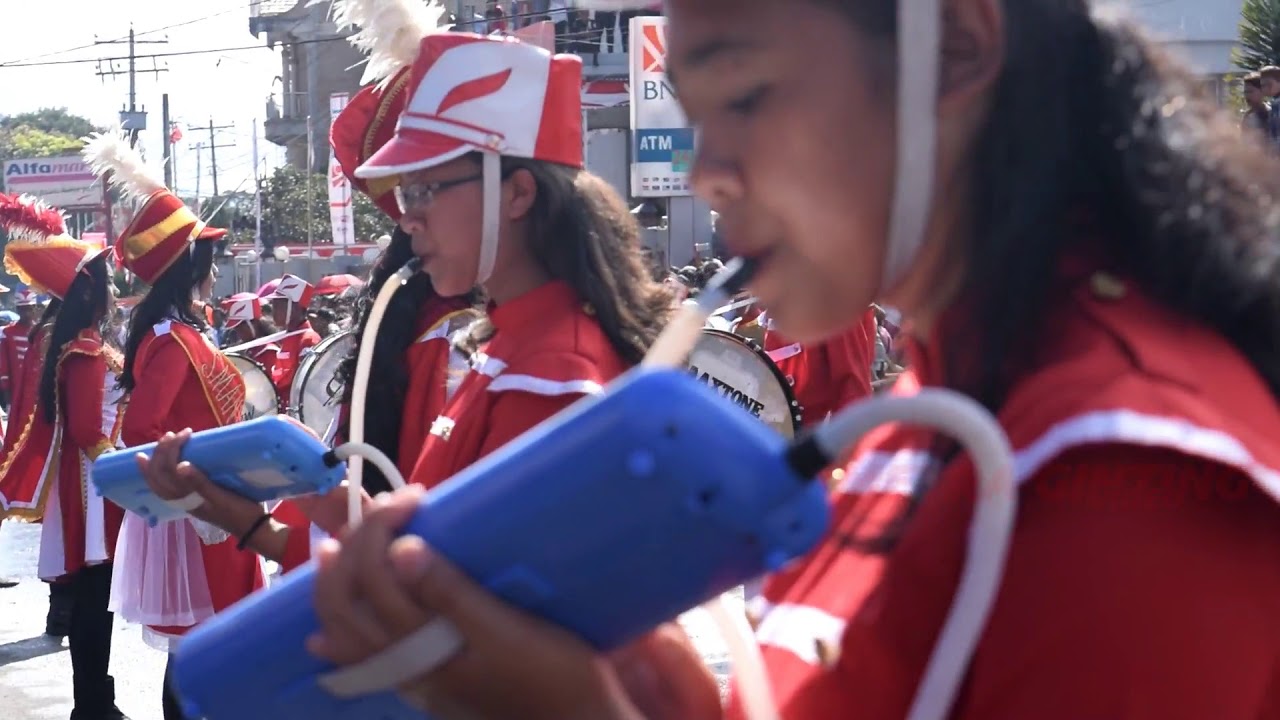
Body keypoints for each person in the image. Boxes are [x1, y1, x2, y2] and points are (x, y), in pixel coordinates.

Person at [300, 1, 1280, 718]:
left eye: (748, 95)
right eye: (698, 117)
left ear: (955, 48)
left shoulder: (1124, 465)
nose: (707, 175)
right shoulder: (946, 403)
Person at [83, 130, 265, 720]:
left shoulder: (185, 331)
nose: (216, 268)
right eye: (209, 258)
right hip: (200, 511)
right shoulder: (169, 339)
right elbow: (142, 429)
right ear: (193, 268)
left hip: (218, 499)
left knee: (216, 643)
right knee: (202, 647)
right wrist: (195, 484)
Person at [0, 194, 129, 719]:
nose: (115, 290)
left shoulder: (81, 342)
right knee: (94, 601)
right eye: (109, 282)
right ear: (92, 290)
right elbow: (85, 429)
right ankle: (93, 704)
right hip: (94, 486)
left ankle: (95, 699)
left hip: (90, 482)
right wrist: (126, 470)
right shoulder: (84, 348)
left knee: (93, 600)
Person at [265, 274, 323, 400]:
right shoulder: (290, 335)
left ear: (295, 308)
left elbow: (305, 387)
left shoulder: (308, 340)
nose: (273, 311)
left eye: (278, 306)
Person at [0, 286, 44, 410]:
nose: (27, 314)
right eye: (23, 309)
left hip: (37, 390)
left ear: (35, 309)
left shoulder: (41, 332)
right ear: (18, 310)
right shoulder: (8, 333)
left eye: (30, 309)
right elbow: (4, 367)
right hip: (16, 390)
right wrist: (8, 397)